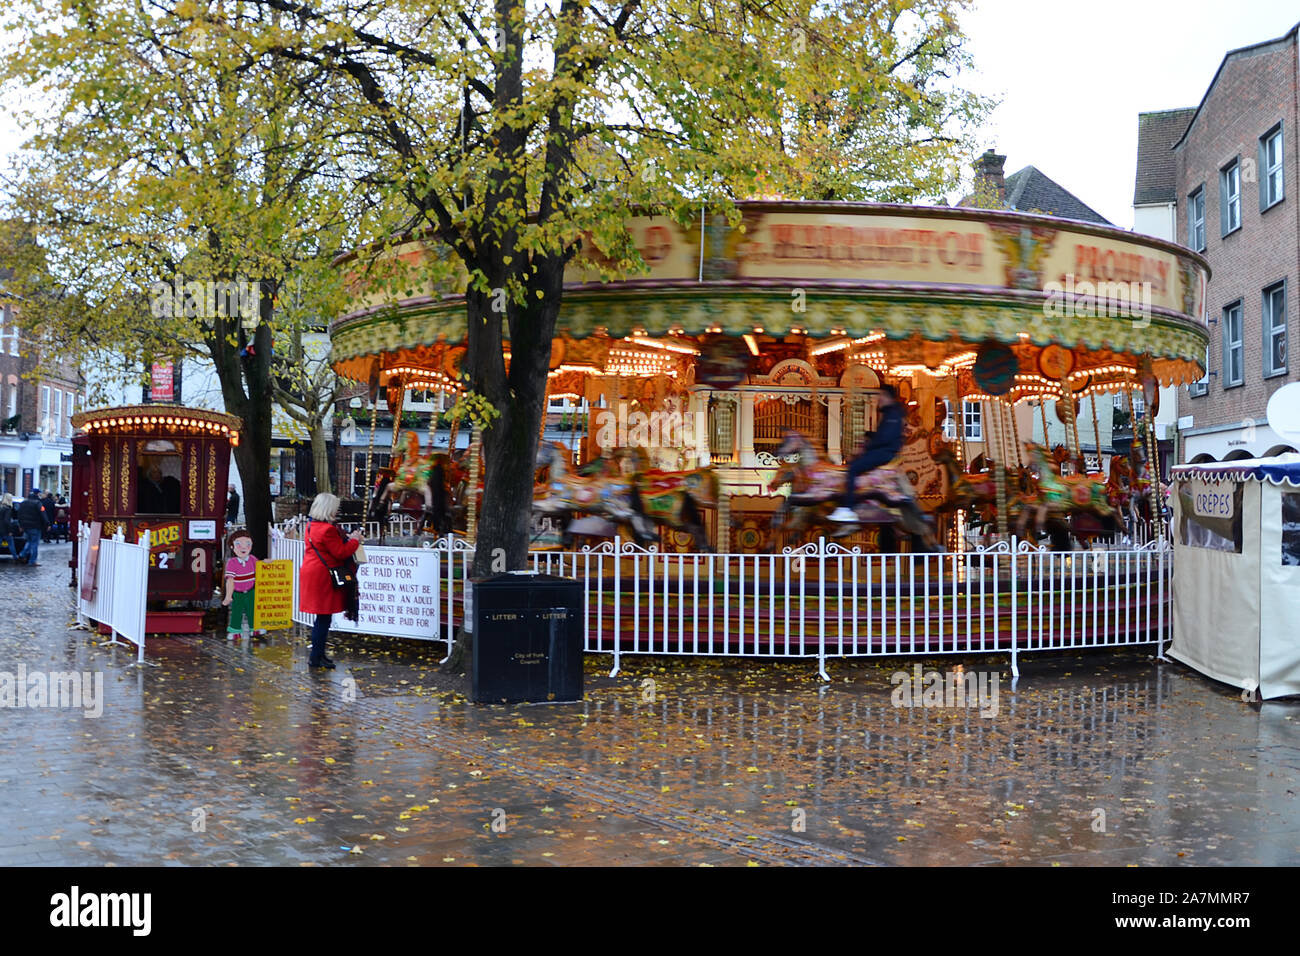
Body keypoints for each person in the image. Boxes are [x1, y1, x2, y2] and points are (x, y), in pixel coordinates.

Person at [299, 492, 362, 669]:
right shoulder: (328, 529)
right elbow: (341, 552)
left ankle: (318, 654)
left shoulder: (311, 526)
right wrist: (355, 541)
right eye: (335, 508)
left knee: (323, 617)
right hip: (323, 575)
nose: (337, 511)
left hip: (313, 572)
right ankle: (315, 657)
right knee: (323, 618)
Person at [829, 385, 906, 522]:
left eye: (881, 395)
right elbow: (883, 435)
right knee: (853, 464)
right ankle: (857, 501)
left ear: (888, 397)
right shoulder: (890, 413)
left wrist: (865, 447)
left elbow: (885, 438)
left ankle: (848, 508)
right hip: (883, 449)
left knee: (852, 469)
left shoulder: (893, 414)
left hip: (885, 452)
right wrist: (868, 435)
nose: (879, 399)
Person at [222, 529, 260, 640]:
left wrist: (267, 562)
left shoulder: (253, 559)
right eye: (239, 544)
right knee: (237, 611)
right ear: (232, 547)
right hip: (238, 592)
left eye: (247, 544)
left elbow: (261, 569)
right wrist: (228, 596)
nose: (244, 547)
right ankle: (235, 631)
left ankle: (255, 629)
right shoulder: (232, 563)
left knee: (252, 610)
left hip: (251, 590)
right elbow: (230, 580)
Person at [16, 488, 49, 565]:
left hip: (25, 526)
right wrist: (47, 523)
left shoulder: (23, 503)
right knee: (34, 543)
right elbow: (43, 513)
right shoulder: (38, 503)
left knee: (29, 541)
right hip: (35, 526)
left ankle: (22, 554)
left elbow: (19, 515)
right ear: (37, 495)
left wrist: (20, 525)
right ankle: (32, 560)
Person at [0, 493, 20, 562]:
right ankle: (15, 558)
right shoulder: (8, 509)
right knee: (11, 544)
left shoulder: (1, 508)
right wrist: (10, 531)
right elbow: (7, 521)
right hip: (5, 530)